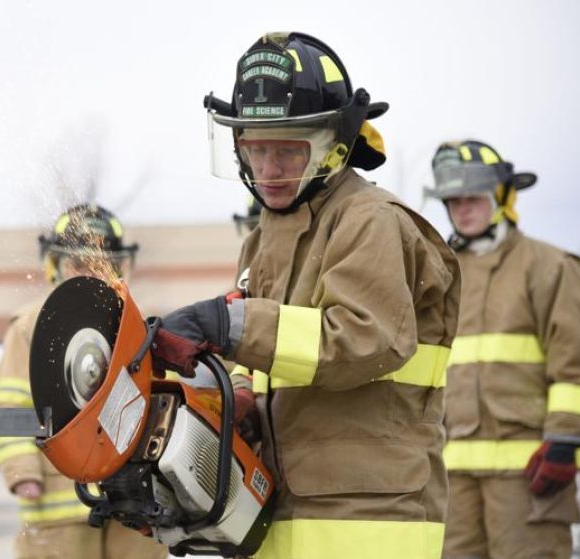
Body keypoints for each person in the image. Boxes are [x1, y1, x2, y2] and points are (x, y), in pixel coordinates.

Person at [150, 32, 461, 559]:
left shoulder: (371, 221)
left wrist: (229, 326)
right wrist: (240, 397)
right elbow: (272, 359)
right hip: (279, 512)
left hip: (366, 521)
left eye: (287, 151)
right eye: (255, 150)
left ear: (332, 146)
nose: (268, 170)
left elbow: (365, 339)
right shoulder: (262, 239)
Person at [423, 139, 580, 559]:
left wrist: (565, 439)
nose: (463, 209)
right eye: (454, 201)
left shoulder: (552, 267)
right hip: (454, 477)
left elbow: (576, 363)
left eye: (473, 198)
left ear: (502, 197)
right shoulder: (441, 277)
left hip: (530, 472)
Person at [0, 204, 167, 559]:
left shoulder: (136, 324)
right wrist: (23, 472)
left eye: (102, 263)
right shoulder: (32, 325)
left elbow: (161, 401)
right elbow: (10, 405)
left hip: (134, 497)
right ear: (55, 266)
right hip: (60, 506)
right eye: (78, 264)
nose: (90, 272)